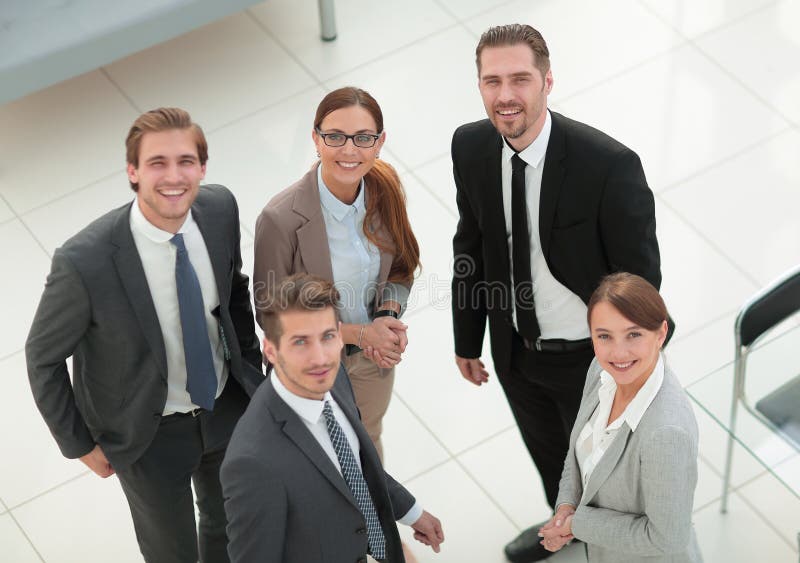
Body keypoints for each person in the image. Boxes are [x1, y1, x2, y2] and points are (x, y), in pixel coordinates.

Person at [450, 24, 666, 562]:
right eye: (492, 81)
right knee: (553, 461)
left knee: (613, 481)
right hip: (517, 352)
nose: (505, 95)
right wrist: (466, 339)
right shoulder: (471, 146)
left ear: (548, 81)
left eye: (520, 79)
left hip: (592, 366)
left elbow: (642, 286)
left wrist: (636, 375)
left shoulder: (608, 166)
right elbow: (470, 244)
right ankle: (568, 529)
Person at [25, 107, 265, 563]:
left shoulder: (219, 210)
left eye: (185, 161)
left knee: (230, 529)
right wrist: (79, 444)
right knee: (171, 552)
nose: (173, 176)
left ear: (202, 168)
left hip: (226, 408)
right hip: (146, 434)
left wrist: (250, 373)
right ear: (132, 171)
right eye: (157, 163)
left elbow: (234, 289)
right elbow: (42, 359)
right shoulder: (84, 261)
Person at [221, 273, 443, 562]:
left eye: (327, 337)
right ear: (270, 350)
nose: (320, 358)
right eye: (300, 342)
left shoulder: (335, 377)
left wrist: (411, 512)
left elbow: (355, 463)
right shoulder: (252, 462)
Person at [253, 86, 420, 462]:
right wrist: (361, 332)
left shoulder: (385, 190)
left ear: (379, 143)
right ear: (316, 138)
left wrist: (386, 318)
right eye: (335, 136)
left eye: (363, 138)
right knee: (317, 460)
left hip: (370, 361)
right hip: (308, 363)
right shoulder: (279, 219)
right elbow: (270, 313)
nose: (349, 150)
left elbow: (401, 267)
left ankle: (372, 518)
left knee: (366, 447)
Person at [538, 273, 701, 562]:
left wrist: (578, 524)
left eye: (634, 334)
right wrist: (566, 506)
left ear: (661, 333)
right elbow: (582, 454)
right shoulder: (602, 372)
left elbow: (668, 537)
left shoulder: (666, 432)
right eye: (604, 336)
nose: (618, 352)